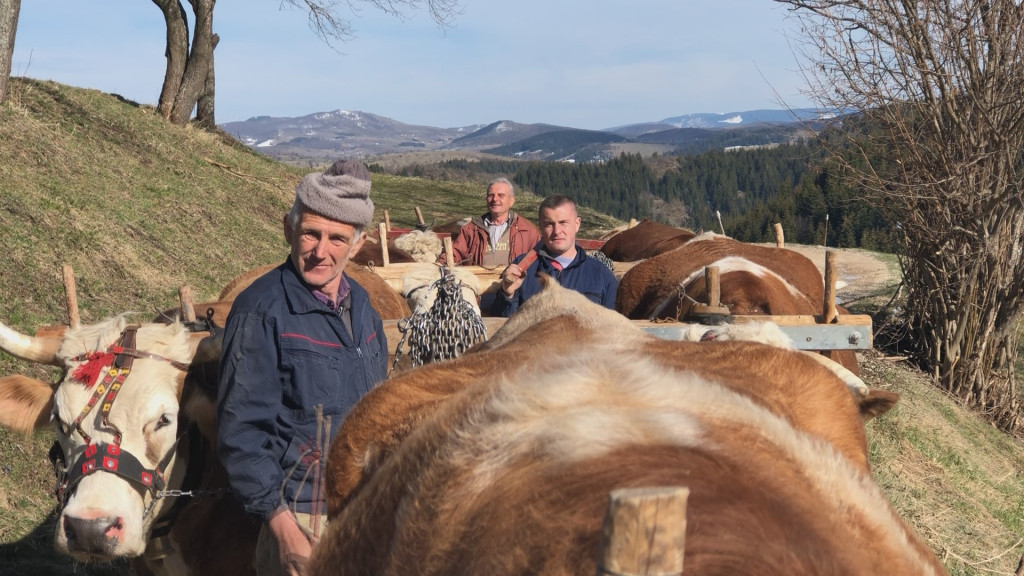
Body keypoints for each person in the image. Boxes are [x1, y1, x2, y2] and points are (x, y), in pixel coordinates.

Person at [216, 159, 388, 576]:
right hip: (302, 520)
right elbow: (241, 435)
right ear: (288, 229)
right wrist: (284, 530)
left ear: (358, 244)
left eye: (337, 238)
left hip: (364, 511)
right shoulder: (261, 311)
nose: (320, 251)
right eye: (311, 233)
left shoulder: (363, 307)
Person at [491, 194, 618, 317]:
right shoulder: (522, 268)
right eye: (549, 224)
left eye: (563, 223)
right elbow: (500, 324)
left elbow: (615, 326)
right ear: (541, 226)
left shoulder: (601, 274)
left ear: (577, 224)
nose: (557, 231)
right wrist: (507, 295)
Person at [442, 177, 540, 268]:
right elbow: (455, 254)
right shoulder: (471, 229)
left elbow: (538, 259)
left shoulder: (527, 230)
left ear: (511, 201)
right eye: (491, 195)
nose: (495, 199)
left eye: (501, 195)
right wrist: (440, 263)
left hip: (513, 281)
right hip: (478, 280)